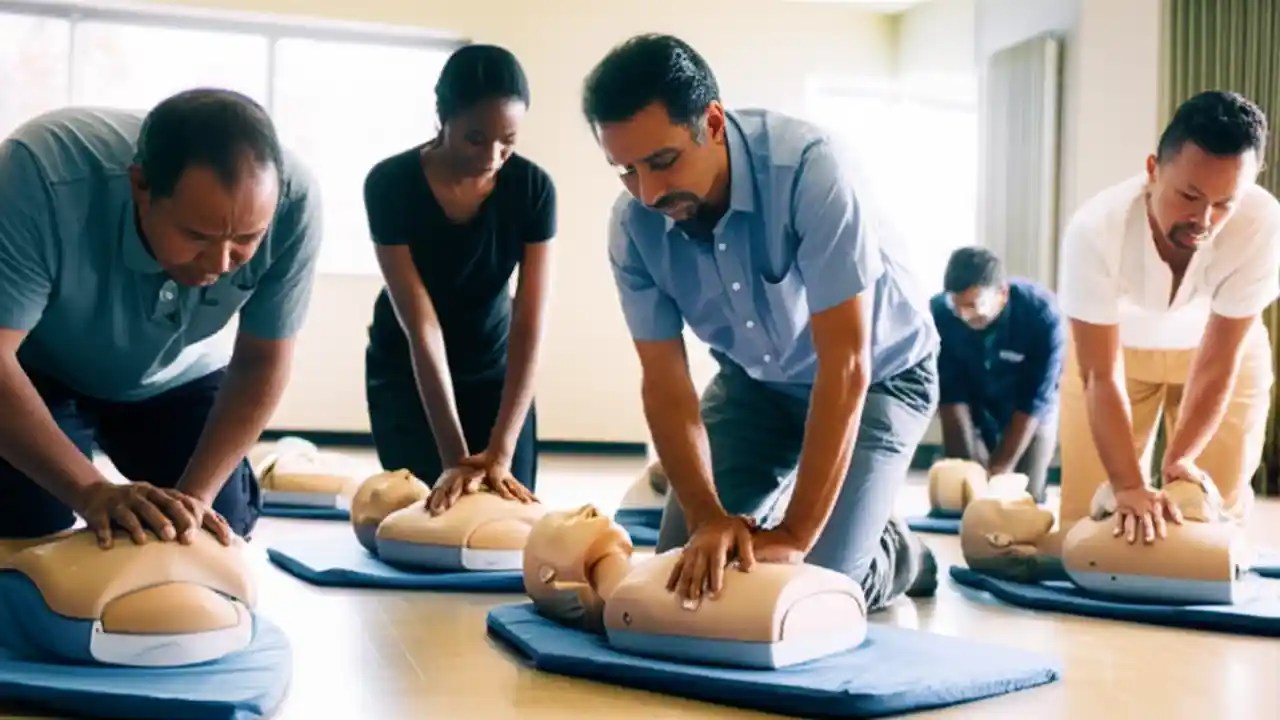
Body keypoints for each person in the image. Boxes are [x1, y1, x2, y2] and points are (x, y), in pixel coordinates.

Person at [584, 33, 941, 610]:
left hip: (881, 378)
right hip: (756, 383)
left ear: (714, 122)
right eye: (625, 170)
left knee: (818, 584)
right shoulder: (632, 227)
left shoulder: (811, 170)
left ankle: (898, 550)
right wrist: (705, 517)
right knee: (685, 568)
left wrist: (797, 538)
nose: (648, 193)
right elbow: (666, 384)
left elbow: (846, 365)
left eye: (663, 161)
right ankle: (803, 518)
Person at [0, 88, 322, 548]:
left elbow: (261, 362)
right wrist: (91, 492)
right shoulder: (38, 174)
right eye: (197, 235)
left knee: (218, 523)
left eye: (246, 239)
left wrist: (194, 503)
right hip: (38, 373)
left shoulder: (297, 204)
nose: (221, 262)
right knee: (26, 514)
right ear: (141, 187)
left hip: (174, 378)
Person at [1057, 90, 1279, 543]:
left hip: (1219, 357)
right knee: (1090, 526)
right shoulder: (1095, 229)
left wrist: (1181, 460)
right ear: (1153, 170)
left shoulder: (1263, 223)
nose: (1204, 219)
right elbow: (1100, 374)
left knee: (1208, 523)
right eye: (1190, 196)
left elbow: (1220, 358)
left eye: (1223, 204)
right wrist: (1129, 485)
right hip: (1118, 354)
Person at [363, 44, 554, 515]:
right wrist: (453, 457)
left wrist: (502, 446)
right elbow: (421, 326)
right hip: (409, 371)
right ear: (441, 118)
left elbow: (529, 322)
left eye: (507, 140)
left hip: (495, 370)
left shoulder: (533, 189)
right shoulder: (390, 184)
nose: (493, 155)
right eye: (475, 138)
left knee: (505, 518)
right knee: (420, 518)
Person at [931, 246, 1065, 502]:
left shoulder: (1041, 315)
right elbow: (950, 395)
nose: (964, 315)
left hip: (1029, 411)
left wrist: (999, 470)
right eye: (957, 306)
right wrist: (965, 470)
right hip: (975, 404)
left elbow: (1034, 400)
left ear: (1002, 294)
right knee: (960, 489)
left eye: (973, 305)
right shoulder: (941, 314)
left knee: (1022, 496)